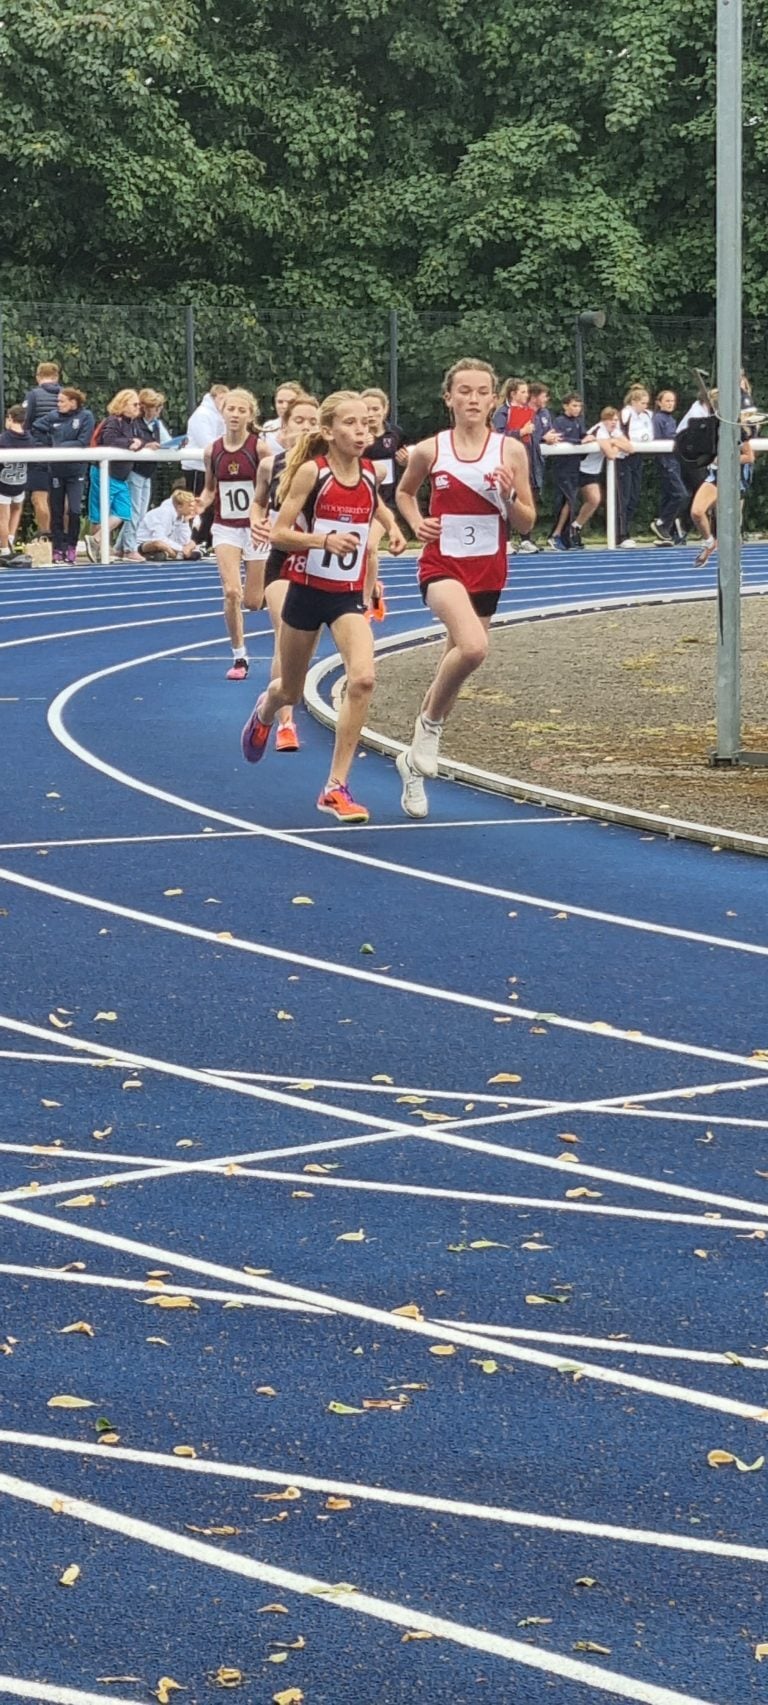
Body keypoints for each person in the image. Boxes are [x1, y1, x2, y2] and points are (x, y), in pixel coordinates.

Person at [240, 389, 406, 823]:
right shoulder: (312, 474)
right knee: (289, 690)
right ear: (328, 432)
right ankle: (265, 710)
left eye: (367, 424)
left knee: (364, 678)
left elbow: (378, 506)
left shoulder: (370, 473)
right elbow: (277, 532)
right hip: (307, 590)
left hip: (346, 595)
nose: (361, 430)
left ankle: (336, 786)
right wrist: (322, 540)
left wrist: (392, 528)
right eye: (351, 423)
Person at [394, 359, 535, 819]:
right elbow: (404, 493)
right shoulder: (430, 450)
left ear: (494, 399)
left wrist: (509, 496)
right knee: (473, 649)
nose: (472, 399)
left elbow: (527, 522)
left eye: (481, 392)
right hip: (441, 565)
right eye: (464, 391)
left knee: (451, 669)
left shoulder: (510, 451)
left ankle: (411, 762)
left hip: (489, 570)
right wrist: (417, 523)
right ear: (449, 397)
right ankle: (430, 728)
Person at [249, 392, 321, 750]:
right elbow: (259, 500)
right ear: (286, 425)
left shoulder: (330, 466)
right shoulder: (270, 464)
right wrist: (256, 520)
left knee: (302, 649)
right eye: (299, 421)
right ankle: (286, 724)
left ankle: (273, 700)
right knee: (283, 631)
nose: (306, 427)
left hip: (322, 565)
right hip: (282, 560)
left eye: (313, 421)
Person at [198, 388, 262, 679]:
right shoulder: (213, 451)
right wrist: (198, 505)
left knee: (253, 601)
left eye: (241, 410)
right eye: (230, 409)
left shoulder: (260, 449)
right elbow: (211, 489)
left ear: (250, 415)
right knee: (232, 592)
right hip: (226, 529)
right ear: (222, 412)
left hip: (257, 530)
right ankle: (239, 657)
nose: (235, 415)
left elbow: (275, 489)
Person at [85, 389, 149, 563]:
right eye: (135, 404)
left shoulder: (132, 423)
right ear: (123, 404)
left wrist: (140, 443)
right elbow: (110, 440)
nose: (138, 408)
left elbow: (140, 439)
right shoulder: (114, 421)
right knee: (100, 513)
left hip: (120, 476)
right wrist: (130, 443)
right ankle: (100, 550)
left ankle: (96, 540)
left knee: (124, 511)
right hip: (104, 472)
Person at [361, 387, 408, 610]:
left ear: (385, 410)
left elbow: (408, 460)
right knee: (356, 550)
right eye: (366, 409)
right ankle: (374, 587)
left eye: (375, 409)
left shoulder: (395, 434)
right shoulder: (356, 437)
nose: (371, 414)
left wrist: (406, 461)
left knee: (370, 546)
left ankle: (365, 600)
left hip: (386, 502)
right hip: (359, 502)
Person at [38, 387, 95, 563]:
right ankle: (58, 548)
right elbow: (36, 427)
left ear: (73, 402)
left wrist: (59, 446)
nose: (58, 404)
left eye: (62, 401)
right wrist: (48, 444)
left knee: (75, 510)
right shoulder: (53, 416)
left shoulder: (86, 416)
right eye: (58, 401)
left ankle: (71, 546)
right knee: (56, 510)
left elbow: (82, 441)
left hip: (76, 470)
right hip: (56, 469)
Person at [571, 407, 632, 546]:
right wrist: (616, 444)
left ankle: (576, 527)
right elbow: (611, 455)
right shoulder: (600, 431)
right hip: (579, 468)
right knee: (569, 503)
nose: (614, 423)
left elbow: (630, 448)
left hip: (593, 471)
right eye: (610, 420)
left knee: (594, 500)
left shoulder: (615, 431)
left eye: (616, 420)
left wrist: (615, 442)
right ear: (603, 421)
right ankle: (562, 533)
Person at [122, 389, 171, 560]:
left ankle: (120, 546)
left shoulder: (156, 424)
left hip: (147, 472)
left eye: (159, 407)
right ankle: (129, 547)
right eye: (155, 407)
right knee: (134, 511)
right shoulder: (134, 423)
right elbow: (132, 442)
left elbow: (166, 442)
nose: (158, 411)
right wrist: (146, 445)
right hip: (135, 471)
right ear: (146, 408)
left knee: (141, 512)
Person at [519, 383, 560, 552]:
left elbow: (547, 433)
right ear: (534, 397)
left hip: (538, 463)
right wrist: (541, 437)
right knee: (518, 499)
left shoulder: (545, 413)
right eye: (544, 396)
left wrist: (549, 438)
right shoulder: (522, 412)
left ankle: (526, 537)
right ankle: (519, 538)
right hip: (523, 461)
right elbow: (522, 434)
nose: (546, 399)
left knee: (532, 498)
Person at [547, 393, 590, 550]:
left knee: (572, 503)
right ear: (565, 406)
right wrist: (580, 441)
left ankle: (565, 538)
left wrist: (590, 438)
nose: (577, 409)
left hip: (574, 468)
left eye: (579, 406)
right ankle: (555, 535)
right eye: (574, 405)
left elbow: (584, 436)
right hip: (562, 468)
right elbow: (560, 440)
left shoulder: (578, 422)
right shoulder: (559, 422)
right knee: (566, 502)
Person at [23, 361, 61, 535]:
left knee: (39, 497)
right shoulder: (66, 396)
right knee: (62, 498)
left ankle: (45, 535)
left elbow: (26, 422)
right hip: (63, 452)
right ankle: (64, 541)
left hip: (39, 452)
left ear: (38, 376)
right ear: (57, 377)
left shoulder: (33, 395)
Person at [649, 390, 688, 545]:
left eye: (672, 401)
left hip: (675, 462)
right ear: (659, 402)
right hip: (666, 463)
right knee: (681, 494)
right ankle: (662, 523)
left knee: (668, 496)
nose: (670, 404)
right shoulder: (658, 419)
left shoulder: (671, 419)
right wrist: (664, 462)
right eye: (667, 401)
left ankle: (667, 532)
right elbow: (658, 442)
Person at [617, 384, 653, 546]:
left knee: (634, 495)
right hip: (624, 458)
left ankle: (626, 528)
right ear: (634, 401)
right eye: (643, 403)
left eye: (647, 403)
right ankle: (620, 533)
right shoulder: (625, 414)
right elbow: (618, 433)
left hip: (638, 456)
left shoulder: (647, 416)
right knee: (623, 495)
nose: (645, 406)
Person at [0, 406, 34, 560]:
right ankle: (11, 539)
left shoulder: (4, 439)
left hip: (3, 483)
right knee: (16, 510)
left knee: (3, 517)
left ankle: (4, 548)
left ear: (10, 418)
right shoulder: (30, 439)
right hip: (20, 482)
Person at [137, 489, 200, 559]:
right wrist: (182, 549)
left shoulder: (181, 516)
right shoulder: (164, 513)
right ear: (180, 506)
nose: (192, 509)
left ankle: (167, 554)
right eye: (190, 506)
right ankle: (176, 555)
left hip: (166, 541)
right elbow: (159, 538)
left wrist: (185, 521)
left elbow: (184, 541)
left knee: (192, 543)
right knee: (159, 544)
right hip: (144, 543)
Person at [260, 381, 304, 453]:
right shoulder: (268, 427)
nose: (285, 406)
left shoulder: (306, 428)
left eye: (291, 402)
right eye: (280, 402)